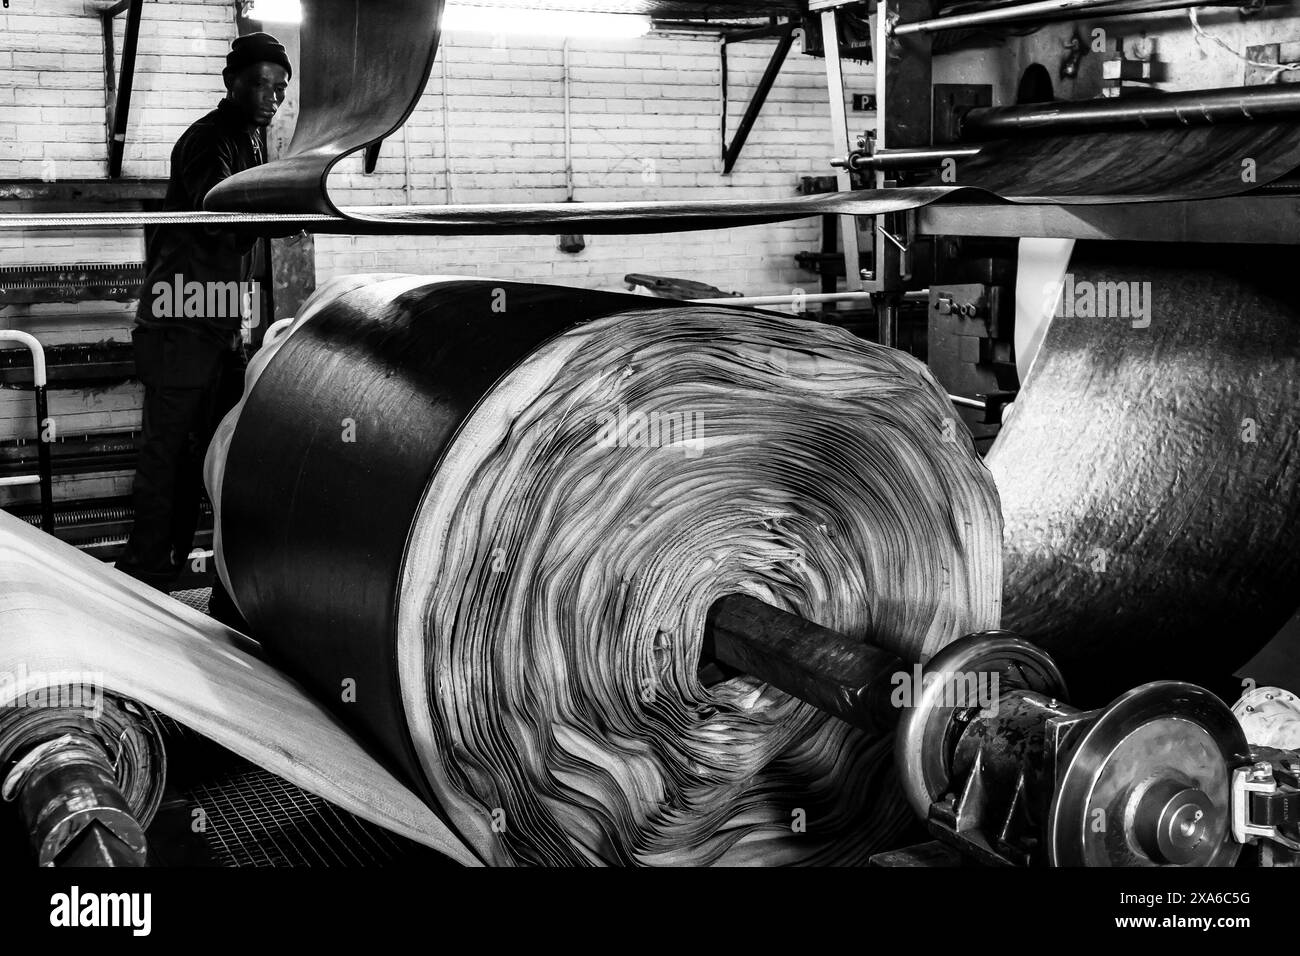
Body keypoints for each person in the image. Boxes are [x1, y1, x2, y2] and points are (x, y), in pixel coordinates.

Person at [116, 33, 292, 627]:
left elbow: (242, 227)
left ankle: (178, 565)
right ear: (231, 82)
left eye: (281, 87)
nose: (272, 97)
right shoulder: (208, 140)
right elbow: (217, 217)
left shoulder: (250, 141)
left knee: (204, 448)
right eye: (261, 84)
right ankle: (144, 574)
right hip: (177, 317)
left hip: (211, 316)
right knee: (167, 451)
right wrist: (278, 213)